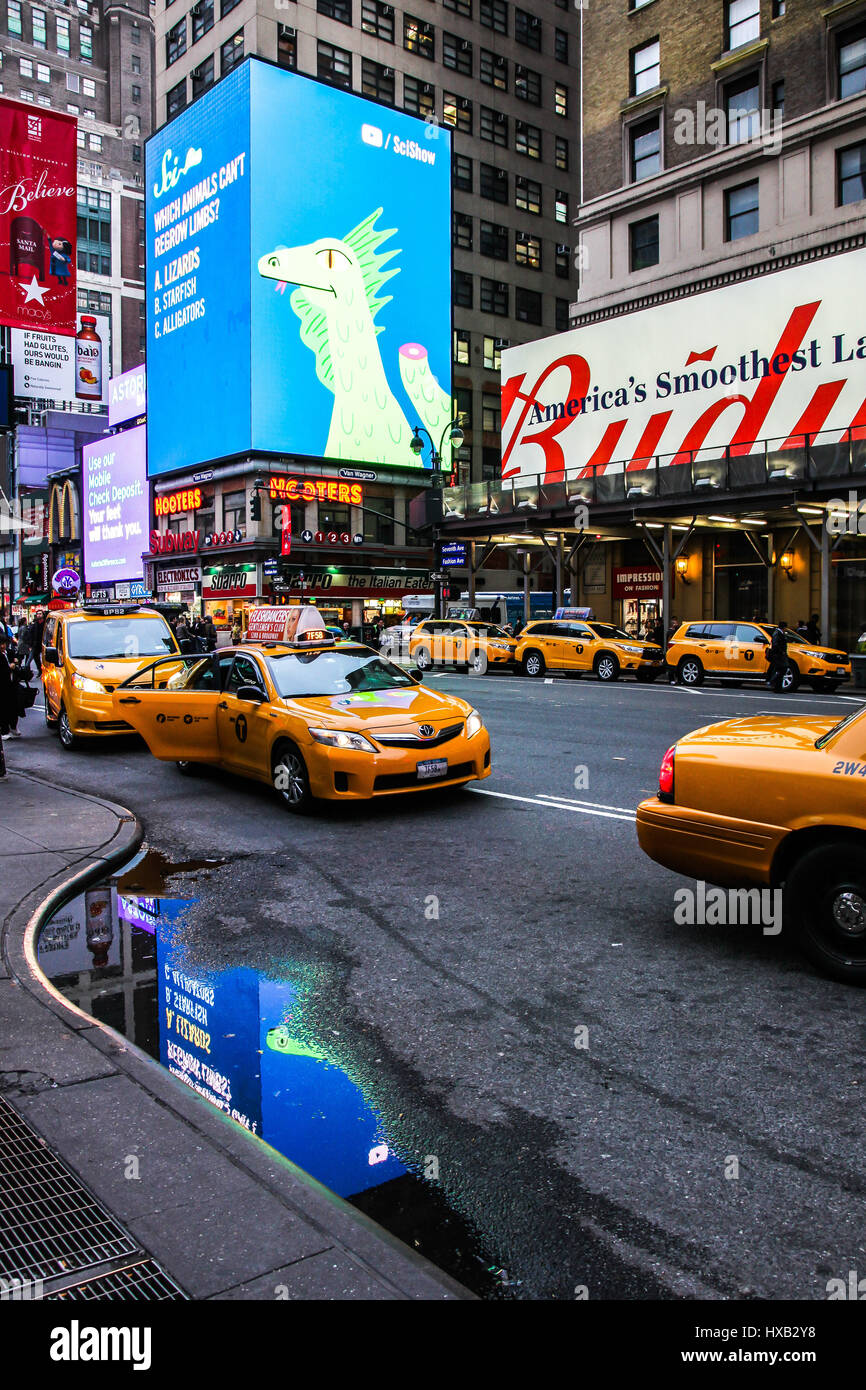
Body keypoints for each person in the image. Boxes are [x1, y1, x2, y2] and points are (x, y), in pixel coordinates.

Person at [0, 633, 21, 739]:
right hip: (3, 686)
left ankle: (13, 726)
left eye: (4, 644)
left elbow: (17, 659)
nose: (3, 646)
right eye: (1, 644)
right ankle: (4, 731)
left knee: (14, 707)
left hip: (12, 684)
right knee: (4, 709)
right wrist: (10, 667)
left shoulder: (9, 652)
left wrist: (16, 663)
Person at [767, 619, 789, 693]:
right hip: (778, 655)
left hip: (779, 655)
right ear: (783, 627)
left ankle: (777, 687)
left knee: (780, 670)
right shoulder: (777, 633)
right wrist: (782, 652)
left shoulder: (779, 633)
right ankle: (775, 685)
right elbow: (775, 644)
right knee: (780, 670)